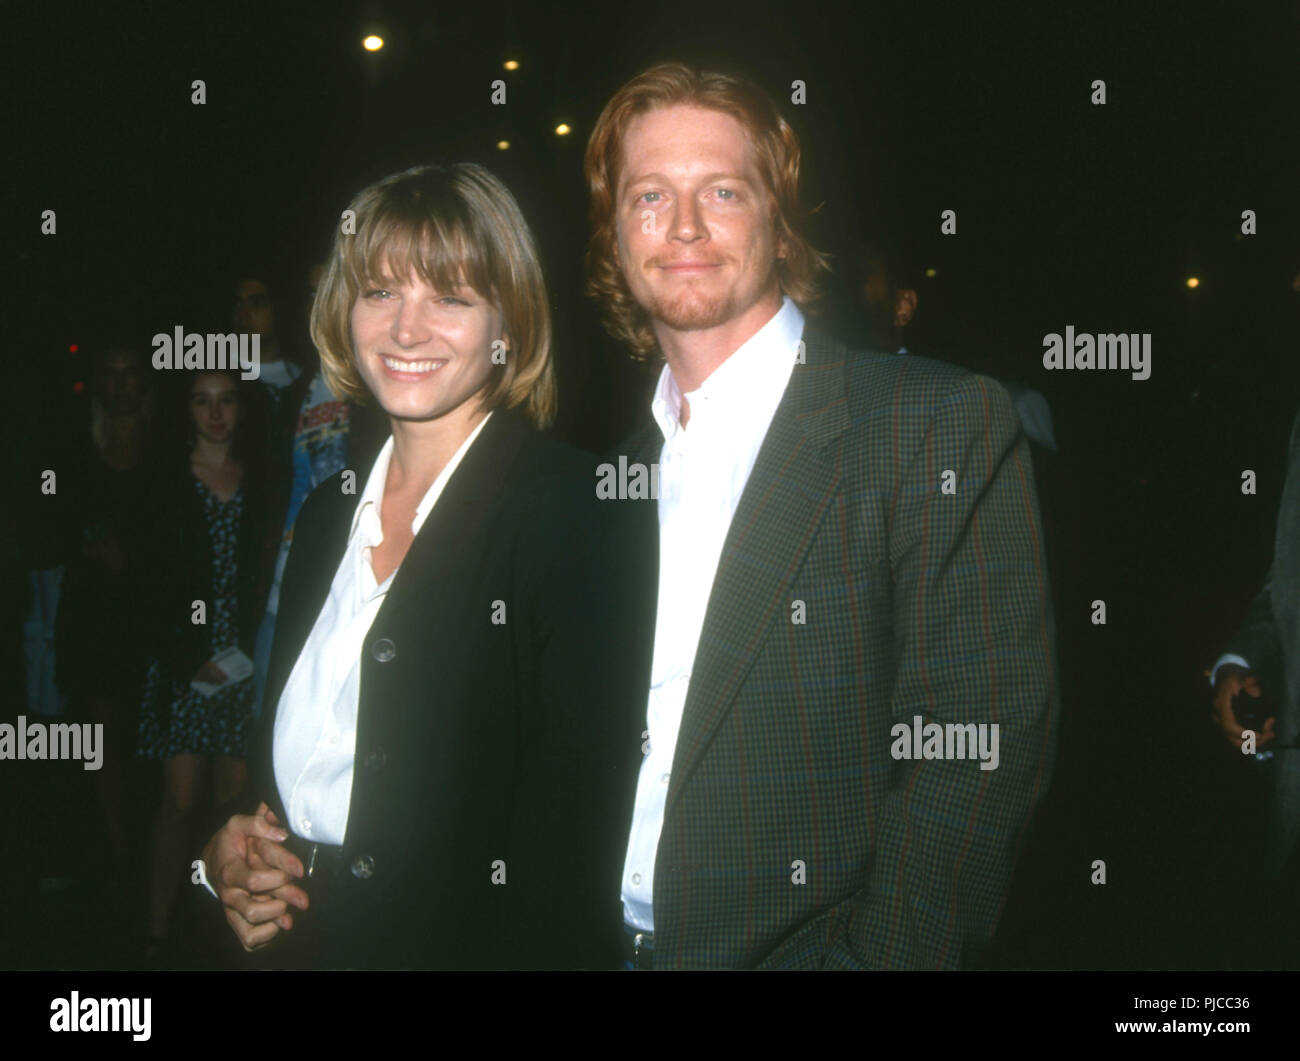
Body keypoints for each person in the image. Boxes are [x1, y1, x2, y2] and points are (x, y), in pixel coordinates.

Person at [585, 61, 1059, 968]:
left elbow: (977, 753)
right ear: (615, 234)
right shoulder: (606, 475)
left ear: (780, 218)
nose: (683, 226)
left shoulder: (932, 422)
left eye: (722, 190)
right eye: (649, 196)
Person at [199, 163, 644, 969]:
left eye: (450, 297)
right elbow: (313, 762)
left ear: (508, 324)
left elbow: (569, 855)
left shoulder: (573, 513)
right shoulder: (330, 509)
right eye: (380, 292)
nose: (407, 330)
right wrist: (231, 849)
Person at [136, 368, 272, 956]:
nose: (215, 414)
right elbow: (147, 583)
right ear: (185, 408)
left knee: (232, 802)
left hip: (241, 663)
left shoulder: (261, 480)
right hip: (187, 667)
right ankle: (156, 930)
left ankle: (218, 927)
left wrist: (246, 650)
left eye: (226, 401)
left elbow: (265, 574)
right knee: (180, 801)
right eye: (202, 401)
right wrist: (186, 657)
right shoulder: (165, 480)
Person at [54, 345, 156, 873]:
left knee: (143, 735)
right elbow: (52, 518)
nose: (120, 385)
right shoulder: (77, 445)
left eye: (129, 372)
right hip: (92, 611)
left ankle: (141, 847)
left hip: (147, 611)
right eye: (110, 374)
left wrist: (131, 560)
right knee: (96, 734)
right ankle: (113, 853)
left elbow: (177, 531)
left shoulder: (165, 443)